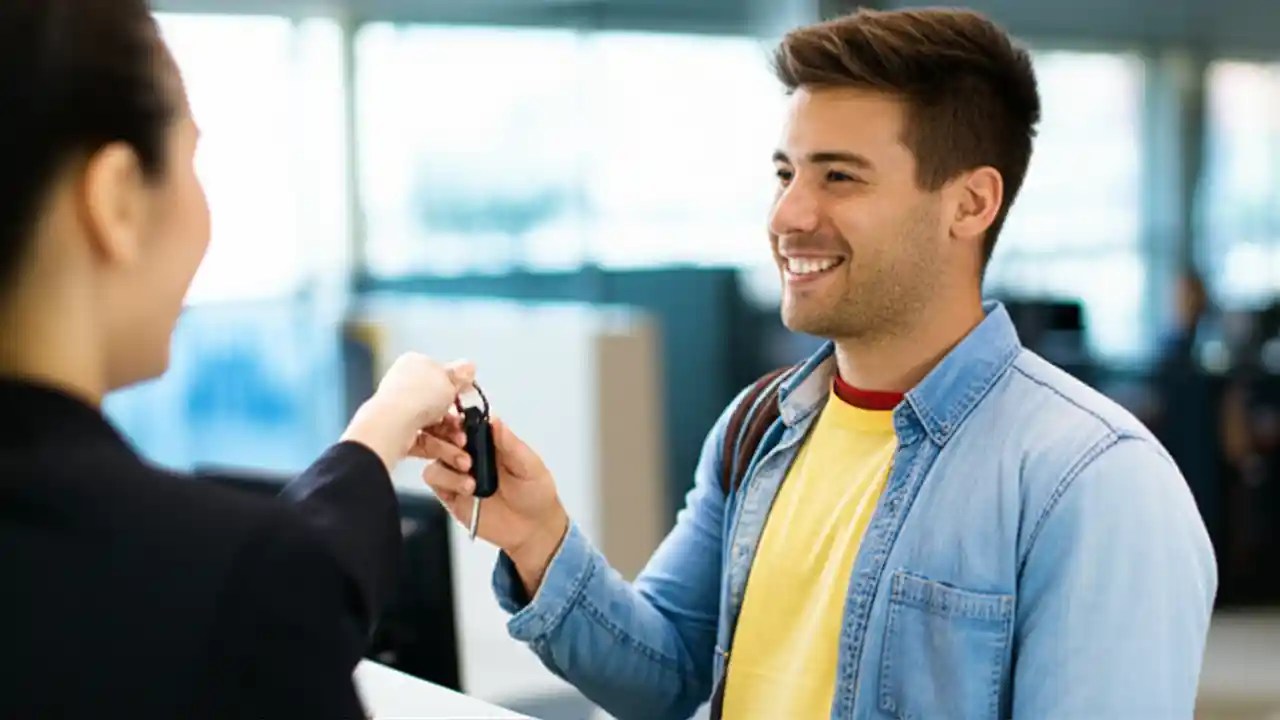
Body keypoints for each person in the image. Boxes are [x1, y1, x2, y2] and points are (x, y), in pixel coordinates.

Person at [421, 7, 1218, 719]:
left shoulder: (1093, 483)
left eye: (839, 176)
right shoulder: (760, 426)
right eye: (785, 173)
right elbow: (664, 676)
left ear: (971, 203)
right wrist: (538, 538)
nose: (787, 215)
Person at [0, 1, 472, 718]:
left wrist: (378, 432)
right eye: (191, 158)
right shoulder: (228, 590)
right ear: (118, 199)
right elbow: (236, 602)